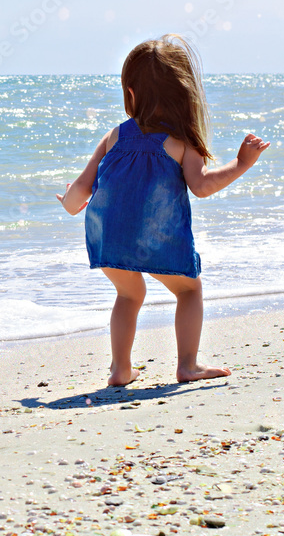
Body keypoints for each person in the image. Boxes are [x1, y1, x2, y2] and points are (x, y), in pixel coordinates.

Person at [56, 34, 269, 386]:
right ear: (185, 95)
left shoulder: (114, 137)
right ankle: (187, 365)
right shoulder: (182, 143)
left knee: (129, 293)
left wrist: (67, 202)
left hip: (107, 235)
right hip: (157, 236)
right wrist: (241, 163)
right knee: (189, 290)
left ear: (131, 94)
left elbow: (79, 192)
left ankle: (120, 369)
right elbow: (202, 187)